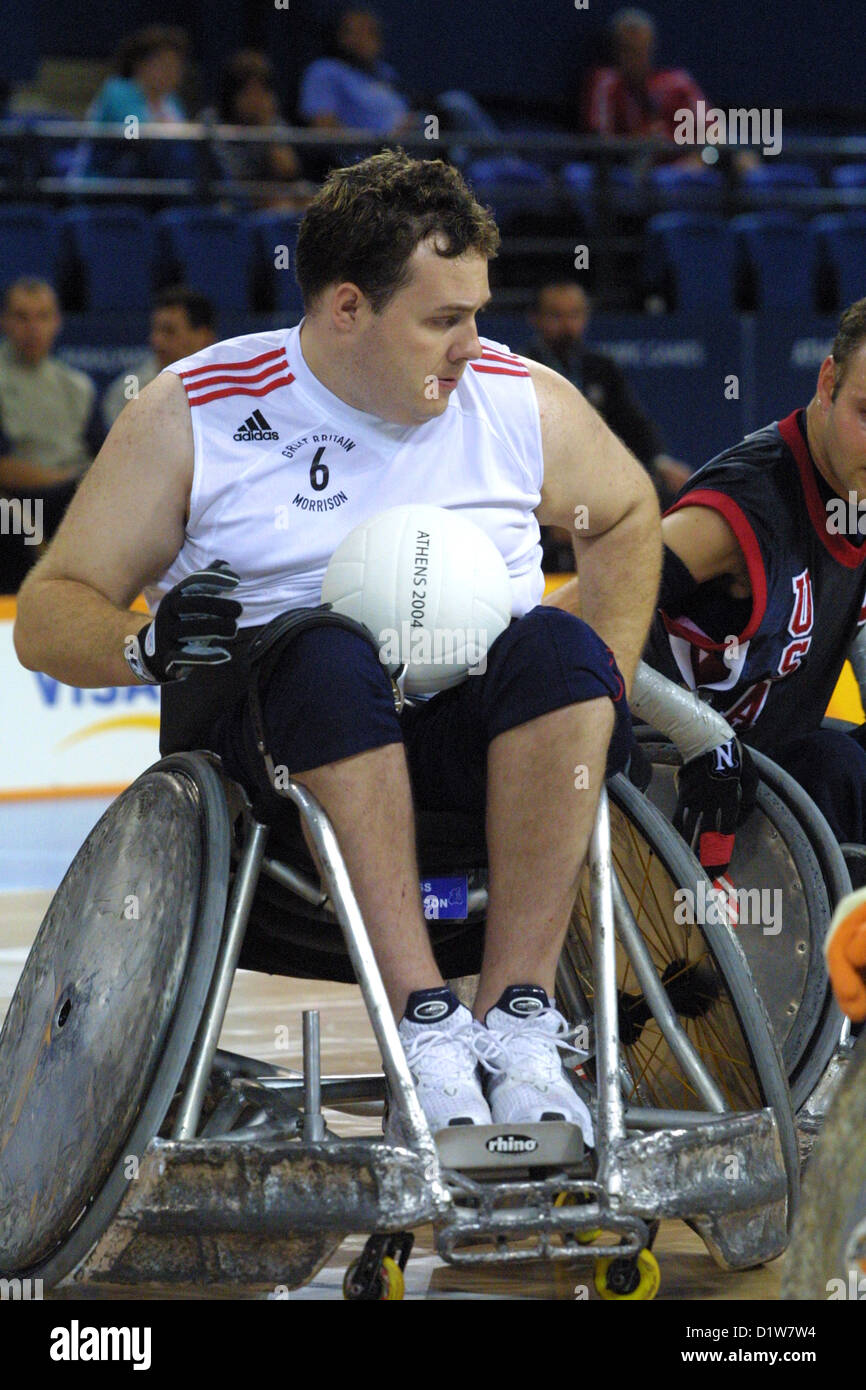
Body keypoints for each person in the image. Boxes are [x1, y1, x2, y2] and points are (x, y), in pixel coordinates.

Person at [14, 151, 660, 1142]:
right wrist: (143, 644)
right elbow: (50, 611)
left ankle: (518, 1021)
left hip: (467, 758)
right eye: (443, 320)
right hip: (278, 773)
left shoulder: (516, 399)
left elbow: (623, 515)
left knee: (561, 655)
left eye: (478, 313)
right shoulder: (199, 409)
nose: (472, 345)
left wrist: (602, 687)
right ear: (348, 308)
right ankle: (422, 1023)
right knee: (326, 651)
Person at [643, 297, 866, 876]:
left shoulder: (856, 487)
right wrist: (699, 732)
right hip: (669, 787)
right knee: (835, 763)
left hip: (766, 779)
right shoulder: (743, 509)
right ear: (828, 382)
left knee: (842, 763)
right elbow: (575, 623)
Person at [523, 282, 691, 505]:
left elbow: (632, 423)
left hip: (599, 475)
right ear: (535, 318)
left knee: (664, 496)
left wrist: (660, 461)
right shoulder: (522, 368)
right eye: (556, 315)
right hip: (544, 479)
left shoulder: (601, 366)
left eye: (574, 315)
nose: (567, 325)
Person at [0, 278, 102, 593]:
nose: (33, 328)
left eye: (42, 316)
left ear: (57, 322)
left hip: (77, 497)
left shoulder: (78, 385)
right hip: (20, 502)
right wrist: (71, 481)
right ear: (5, 321)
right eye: (22, 317)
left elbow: (104, 454)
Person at [299, 7, 498, 143]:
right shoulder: (325, 71)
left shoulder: (383, 72)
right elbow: (324, 131)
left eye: (371, 32)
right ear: (340, 36)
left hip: (411, 139)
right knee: (456, 104)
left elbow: (406, 110)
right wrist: (381, 138)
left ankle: (497, 167)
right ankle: (504, 163)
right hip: (376, 151)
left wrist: (407, 125)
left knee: (448, 117)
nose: (365, 39)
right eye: (356, 32)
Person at [74, 26, 193, 181]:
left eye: (176, 67)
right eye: (164, 65)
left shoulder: (171, 101)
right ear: (140, 65)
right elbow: (133, 133)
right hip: (106, 179)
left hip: (156, 181)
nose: (171, 73)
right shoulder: (118, 91)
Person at [102, 287, 217, 431]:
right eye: (155, 330)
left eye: (169, 331)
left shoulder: (234, 382)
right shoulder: (129, 390)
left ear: (203, 336)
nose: (156, 341)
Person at [206, 51, 306, 210]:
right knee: (282, 207)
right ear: (232, 95)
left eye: (261, 92)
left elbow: (288, 171)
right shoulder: (212, 121)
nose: (255, 100)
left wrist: (267, 129)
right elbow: (232, 173)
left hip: (271, 192)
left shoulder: (272, 121)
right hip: (232, 197)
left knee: (311, 201)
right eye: (248, 93)